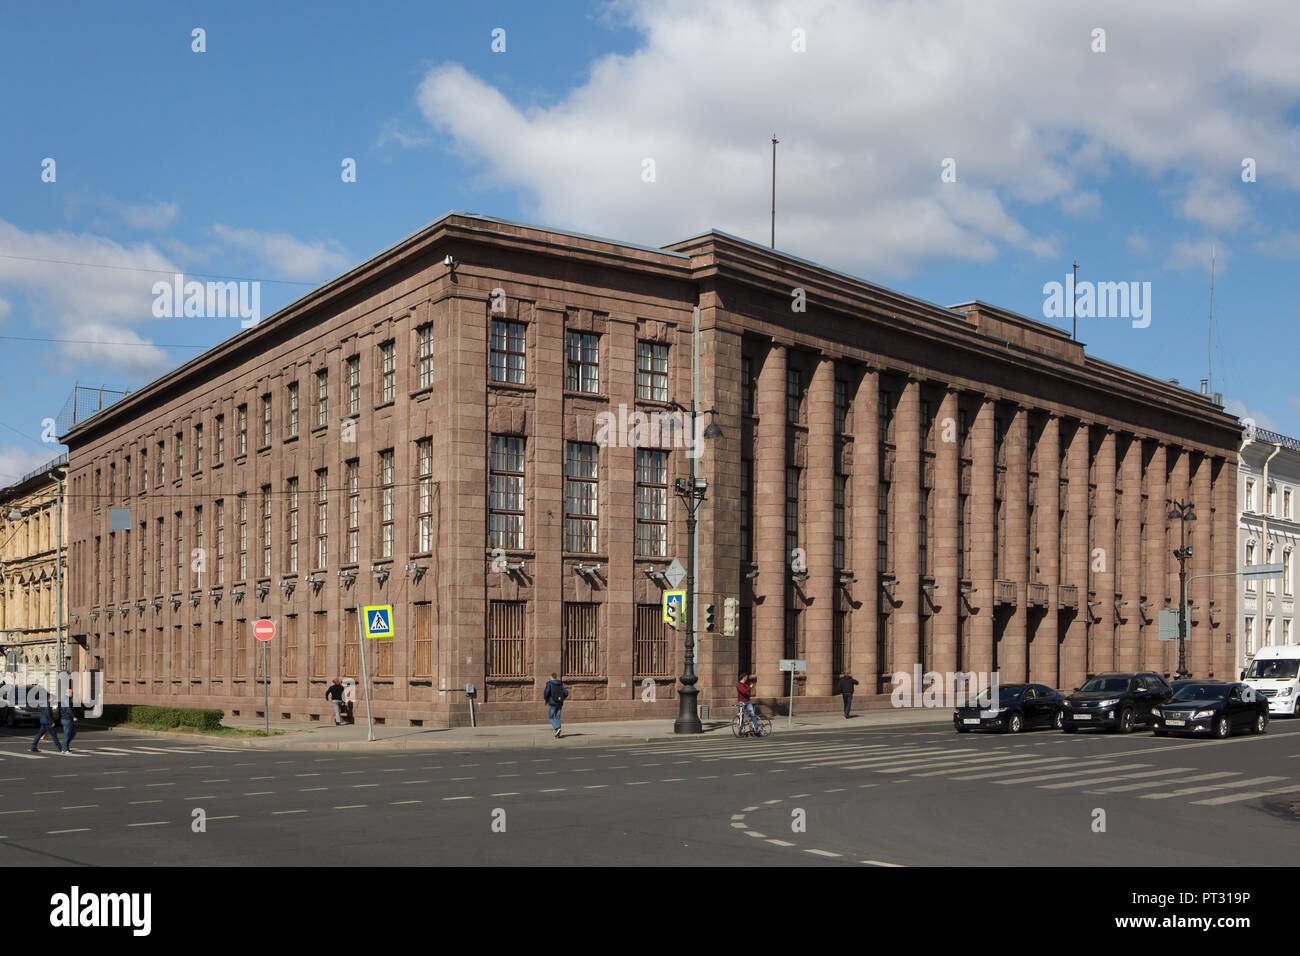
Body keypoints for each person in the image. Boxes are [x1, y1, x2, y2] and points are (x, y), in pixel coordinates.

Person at [30, 688, 63, 753]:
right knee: (54, 735)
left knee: (39, 735)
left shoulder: (44, 703)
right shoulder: (47, 704)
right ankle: (61, 748)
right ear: (49, 698)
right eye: (52, 698)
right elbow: (47, 713)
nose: (53, 699)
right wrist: (51, 722)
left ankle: (33, 746)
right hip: (48, 722)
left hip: (43, 721)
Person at [543, 672, 568, 738]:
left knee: (550, 717)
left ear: (551, 677)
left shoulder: (549, 683)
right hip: (559, 703)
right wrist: (562, 698)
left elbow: (546, 692)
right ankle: (558, 731)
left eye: (550, 677)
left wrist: (546, 699)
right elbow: (566, 692)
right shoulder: (560, 684)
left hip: (552, 702)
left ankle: (557, 728)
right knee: (557, 717)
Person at [60, 684, 78, 752]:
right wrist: (73, 717)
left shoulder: (67, 699)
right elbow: (68, 709)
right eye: (71, 692)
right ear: (67, 693)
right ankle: (64, 749)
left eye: (72, 692)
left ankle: (65, 747)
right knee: (67, 734)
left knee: (72, 733)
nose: (72, 694)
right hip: (67, 719)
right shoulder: (66, 699)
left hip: (67, 718)